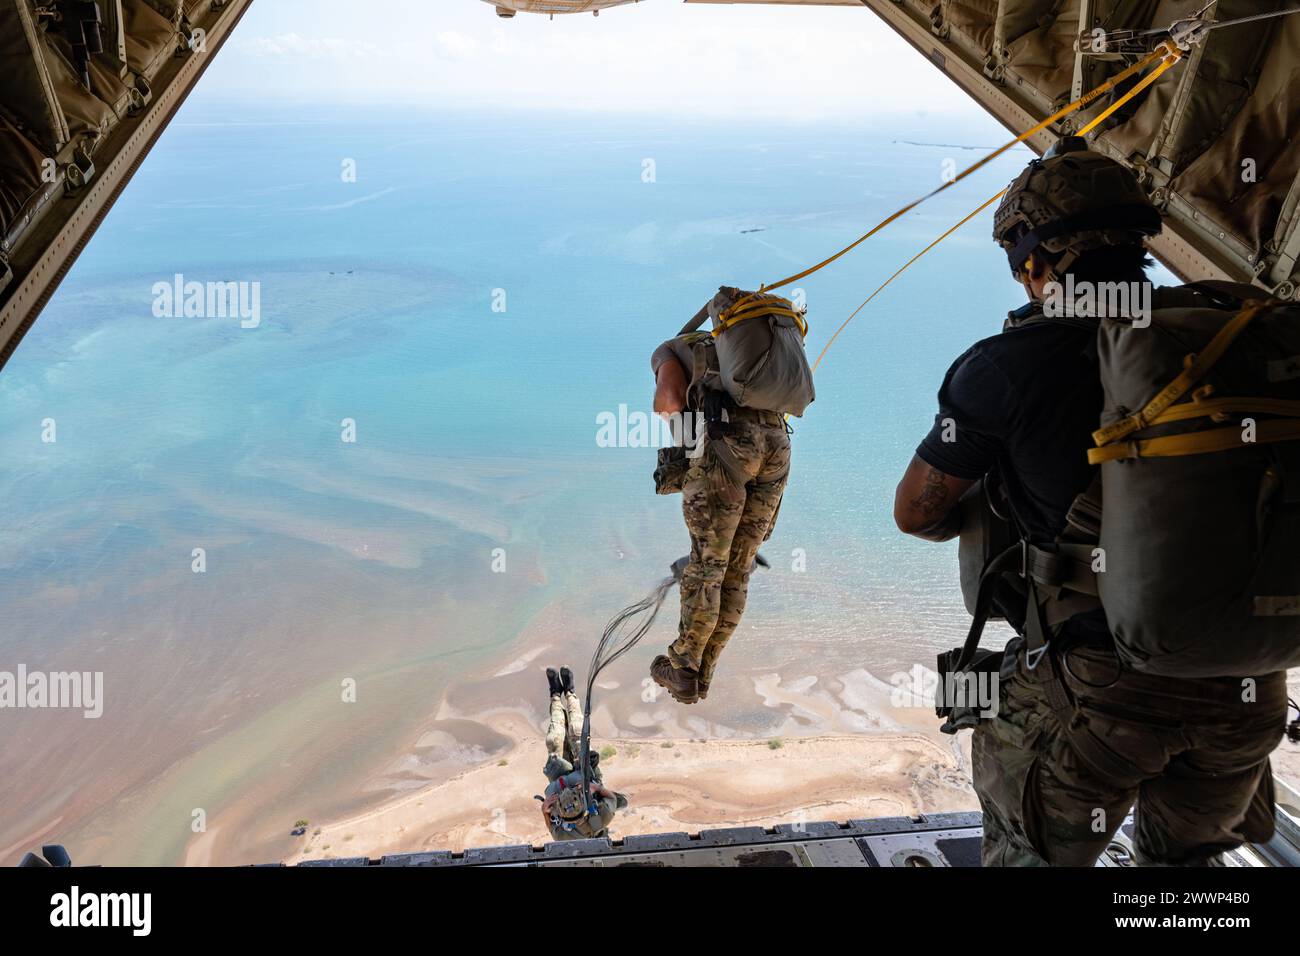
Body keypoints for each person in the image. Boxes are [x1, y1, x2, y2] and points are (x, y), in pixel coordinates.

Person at [893, 139, 1287, 866]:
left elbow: (916, 513)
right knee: (1188, 876)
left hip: (1098, 691)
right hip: (1249, 686)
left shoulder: (1006, 365)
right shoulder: (1228, 341)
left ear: (1036, 264)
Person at [649, 287, 791, 704]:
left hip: (728, 446)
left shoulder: (670, 350)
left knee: (707, 565)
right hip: (777, 447)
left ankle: (682, 664)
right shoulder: (749, 362)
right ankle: (700, 673)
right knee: (737, 568)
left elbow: (669, 402)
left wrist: (686, 459)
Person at [537, 666, 627, 841]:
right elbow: (613, 800)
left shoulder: (565, 836)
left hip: (560, 780)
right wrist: (596, 788)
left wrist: (545, 812)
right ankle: (570, 693)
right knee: (577, 731)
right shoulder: (602, 818)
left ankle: (555, 695)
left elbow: (551, 829)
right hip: (586, 776)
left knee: (553, 740)